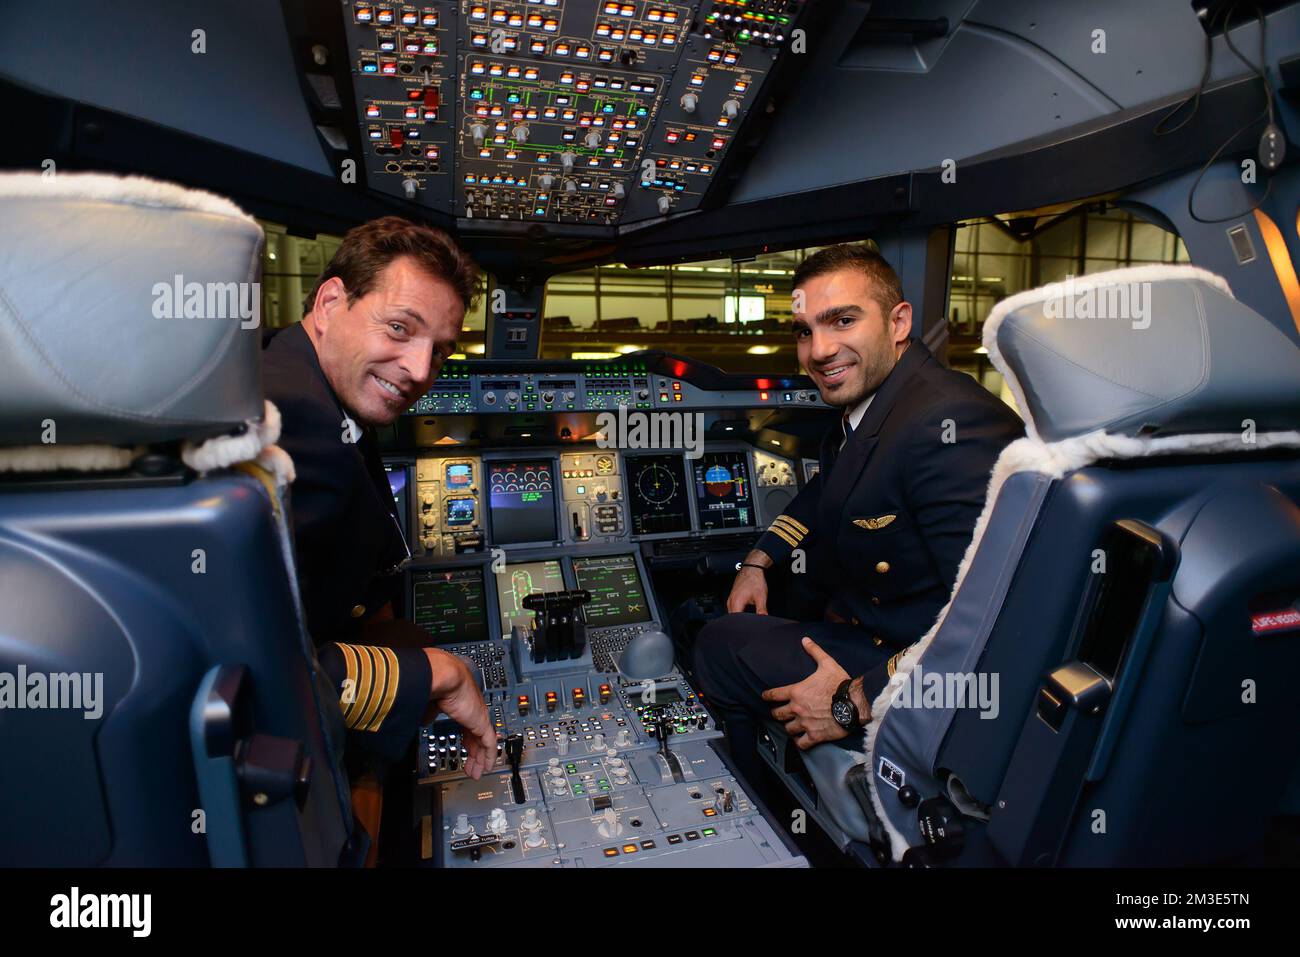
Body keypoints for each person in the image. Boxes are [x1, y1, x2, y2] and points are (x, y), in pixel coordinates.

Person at [692, 244, 1024, 788]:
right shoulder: (883, 402)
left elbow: (993, 615)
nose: (820, 350)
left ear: (898, 322)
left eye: (843, 321)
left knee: (719, 643)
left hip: (924, 672)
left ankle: (754, 797)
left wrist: (853, 700)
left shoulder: (948, 424)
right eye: (805, 331)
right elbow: (831, 486)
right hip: (885, 625)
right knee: (775, 597)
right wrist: (757, 561)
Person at [262, 218, 496, 846]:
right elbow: (253, 678)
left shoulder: (294, 377)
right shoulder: (293, 431)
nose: (420, 370)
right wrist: (440, 673)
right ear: (331, 301)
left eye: (441, 350)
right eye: (400, 328)